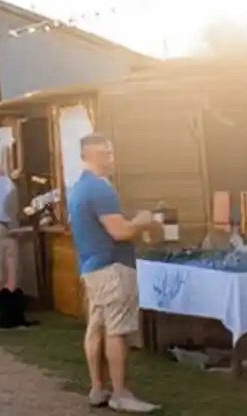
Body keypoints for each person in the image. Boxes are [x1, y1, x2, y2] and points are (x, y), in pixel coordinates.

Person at [69, 134, 160, 413]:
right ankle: (120, 393)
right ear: (93, 156)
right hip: (112, 267)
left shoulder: (78, 188)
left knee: (96, 328)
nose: (111, 159)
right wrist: (143, 221)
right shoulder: (100, 189)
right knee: (117, 331)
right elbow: (119, 231)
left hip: (91, 267)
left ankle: (97, 388)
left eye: (110, 153)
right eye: (106, 154)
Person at [0, 141, 27, 330]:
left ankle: (10, 315)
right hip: (1, 230)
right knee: (6, 273)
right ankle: (9, 315)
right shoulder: (4, 186)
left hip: (0, 230)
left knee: (5, 273)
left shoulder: (0, 186)